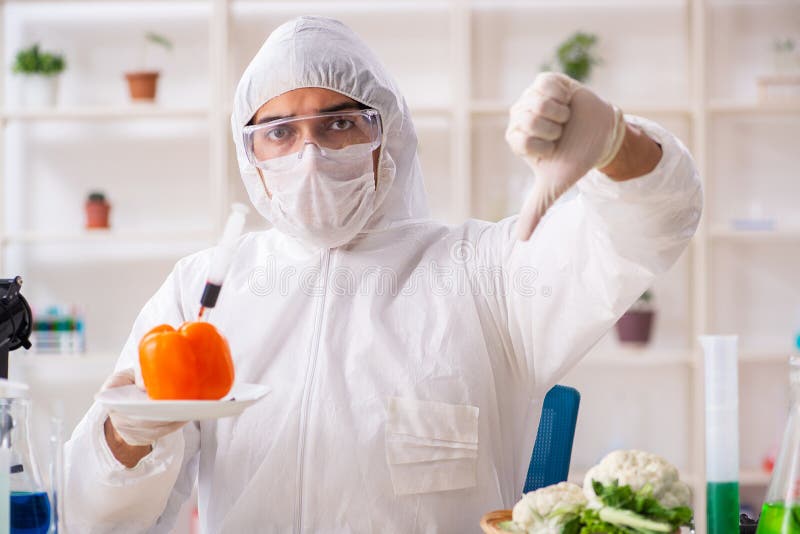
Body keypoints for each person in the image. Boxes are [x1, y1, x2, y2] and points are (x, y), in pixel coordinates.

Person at [64, 16, 702, 534]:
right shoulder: (203, 290)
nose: (309, 155)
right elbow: (99, 519)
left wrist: (616, 143)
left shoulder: (483, 273)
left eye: (339, 123)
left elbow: (651, 223)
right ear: (249, 155)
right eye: (280, 132)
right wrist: (127, 437)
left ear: (386, 133)